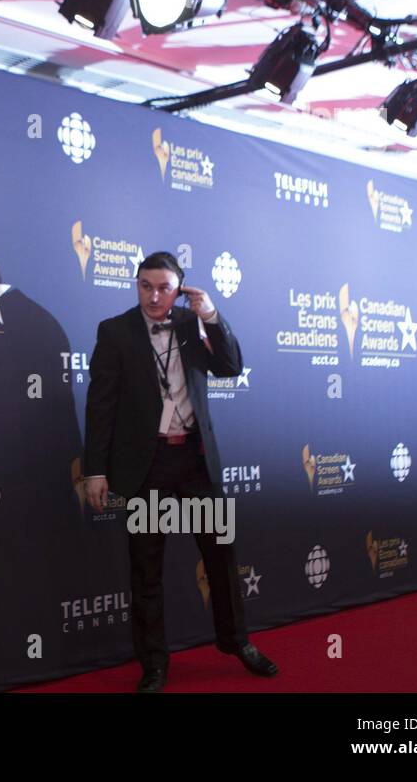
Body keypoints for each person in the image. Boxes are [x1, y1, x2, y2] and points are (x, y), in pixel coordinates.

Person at [81, 251, 278, 692]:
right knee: (146, 570)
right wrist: (94, 469)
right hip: (147, 467)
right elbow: (100, 406)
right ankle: (154, 664)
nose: (154, 296)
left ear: (181, 289)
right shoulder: (115, 332)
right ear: (136, 285)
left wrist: (210, 314)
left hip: (194, 462)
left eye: (164, 287)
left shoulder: (193, 326)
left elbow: (230, 367)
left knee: (221, 561)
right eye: (145, 286)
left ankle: (237, 642)